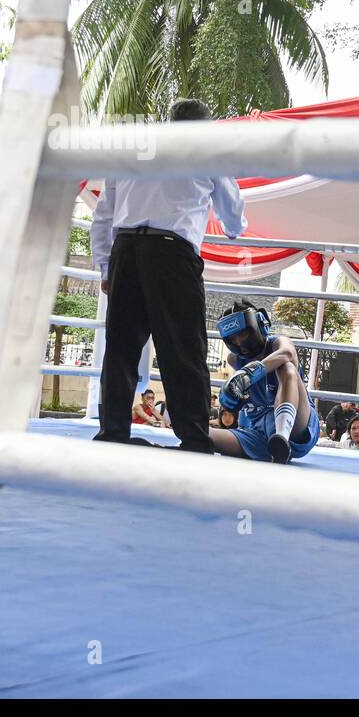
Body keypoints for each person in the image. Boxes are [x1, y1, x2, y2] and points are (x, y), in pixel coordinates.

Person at [91, 98, 248, 454]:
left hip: (126, 251)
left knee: (121, 348)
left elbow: (102, 217)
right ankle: (193, 437)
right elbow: (234, 222)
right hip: (172, 254)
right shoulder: (210, 155)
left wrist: (105, 267)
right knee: (183, 348)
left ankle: (112, 431)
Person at [210, 300, 320, 463]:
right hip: (256, 435)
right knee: (201, 434)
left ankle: (281, 440)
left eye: (243, 334)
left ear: (259, 324)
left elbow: (287, 352)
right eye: (233, 338)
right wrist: (230, 400)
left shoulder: (278, 344)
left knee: (287, 367)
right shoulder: (234, 360)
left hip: (296, 427)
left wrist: (252, 372)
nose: (239, 342)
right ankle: (275, 449)